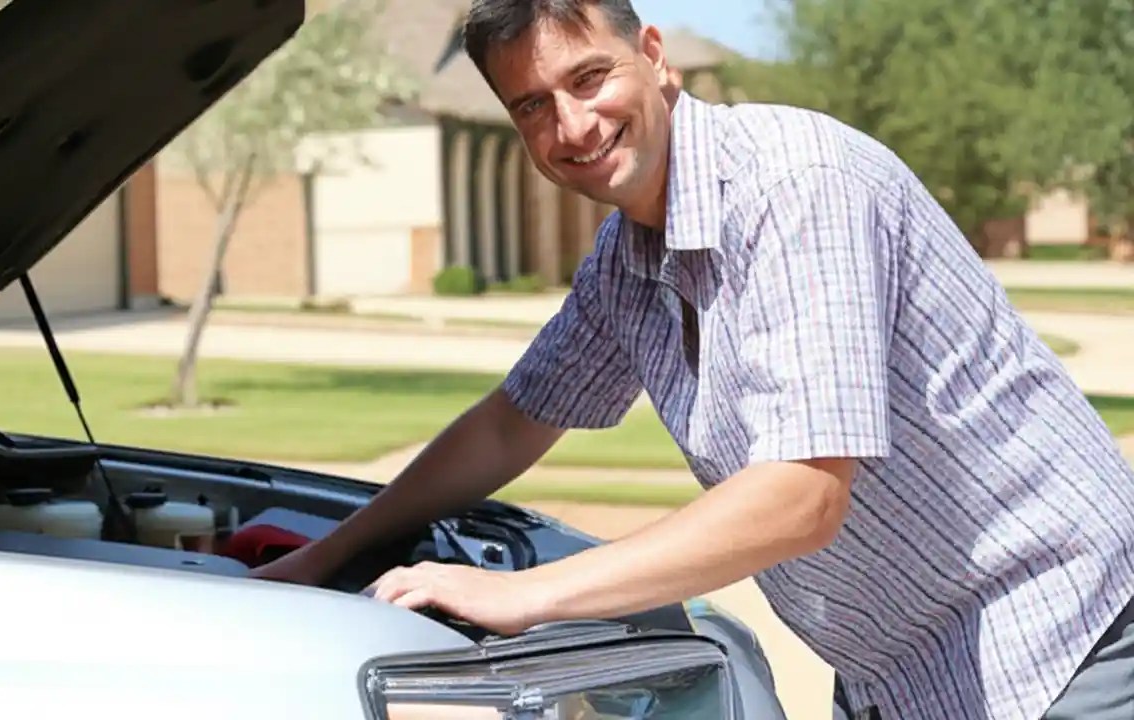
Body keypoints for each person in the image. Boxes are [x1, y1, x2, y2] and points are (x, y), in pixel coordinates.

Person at [251, 1, 1134, 717]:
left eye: (588, 77)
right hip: (900, 674)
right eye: (531, 105)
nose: (571, 125)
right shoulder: (627, 258)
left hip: (1061, 636)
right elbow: (513, 420)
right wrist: (328, 556)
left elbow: (801, 497)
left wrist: (527, 596)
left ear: (654, 56)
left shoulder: (796, 189)